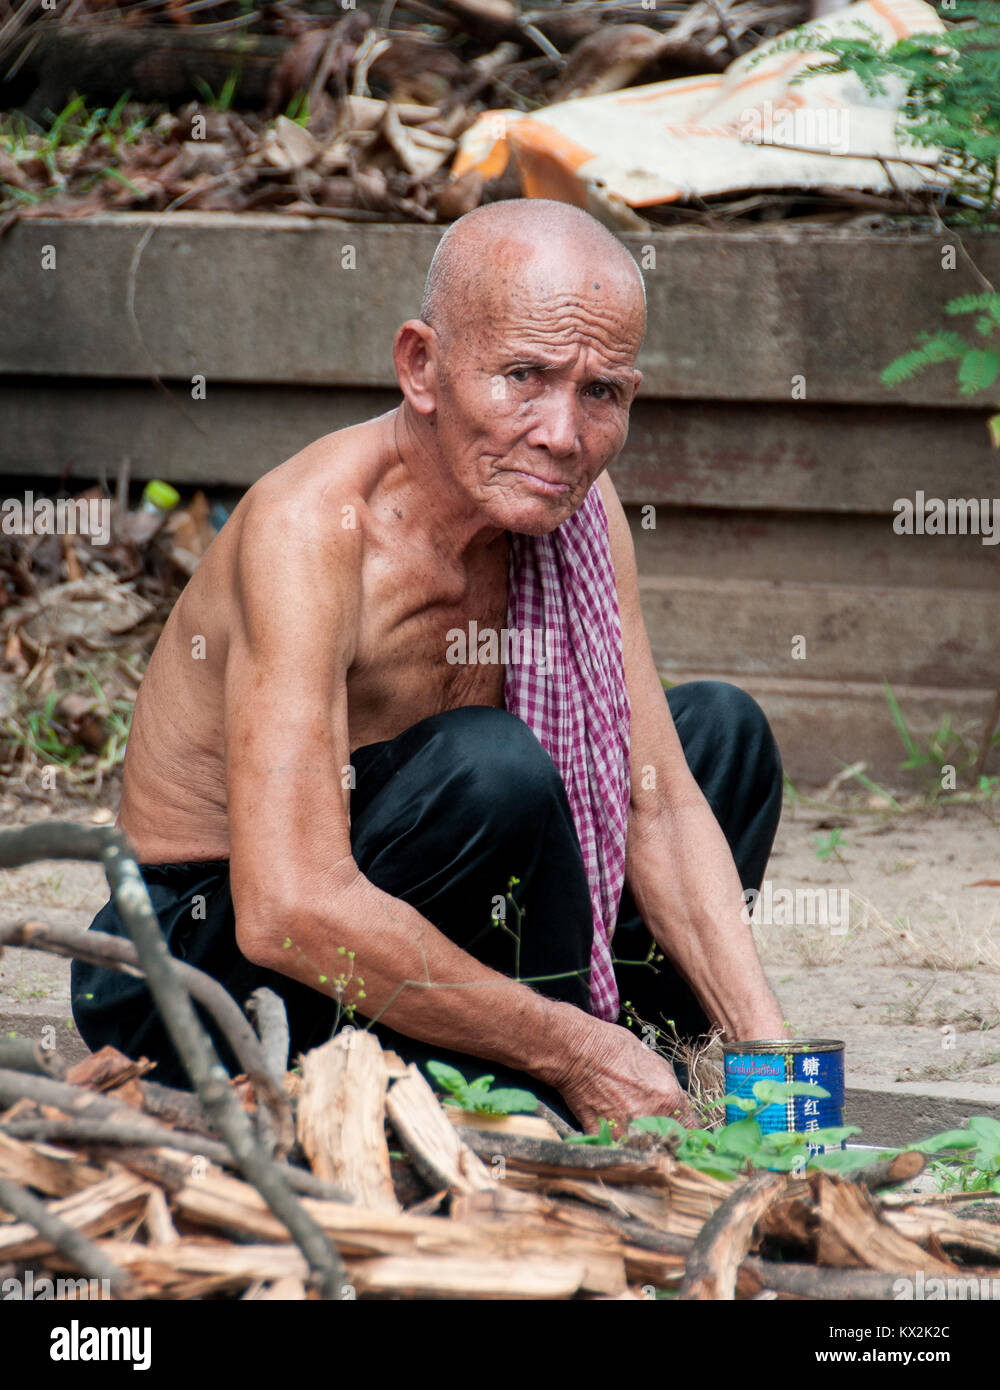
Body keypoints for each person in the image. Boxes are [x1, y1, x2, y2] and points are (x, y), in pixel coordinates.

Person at [72, 197, 789, 1133]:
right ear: (422, 366)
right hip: (202, 968)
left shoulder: (576, 503)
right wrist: (571, 1045)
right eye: (523, 377)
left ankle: (640, 1081)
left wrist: (779, 1071)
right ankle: (565, 1071)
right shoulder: (312, 531)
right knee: (490, 770)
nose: (562, 435)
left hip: (432, 887)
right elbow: (285, 907)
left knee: (721, 737)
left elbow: (653, 799)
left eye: (600, 393)